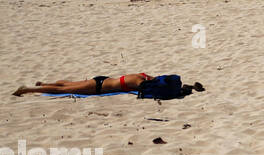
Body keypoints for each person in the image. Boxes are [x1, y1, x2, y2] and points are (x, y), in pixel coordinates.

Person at [12, 73, 203, 97]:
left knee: (70, 83)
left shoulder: (142, 75)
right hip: (98, 88)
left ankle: (43, 83)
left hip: (100, 79)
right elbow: (152, 93)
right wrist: (185, 91)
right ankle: (29, 89)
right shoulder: (141, 85)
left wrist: (187, 88)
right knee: (65, 89)